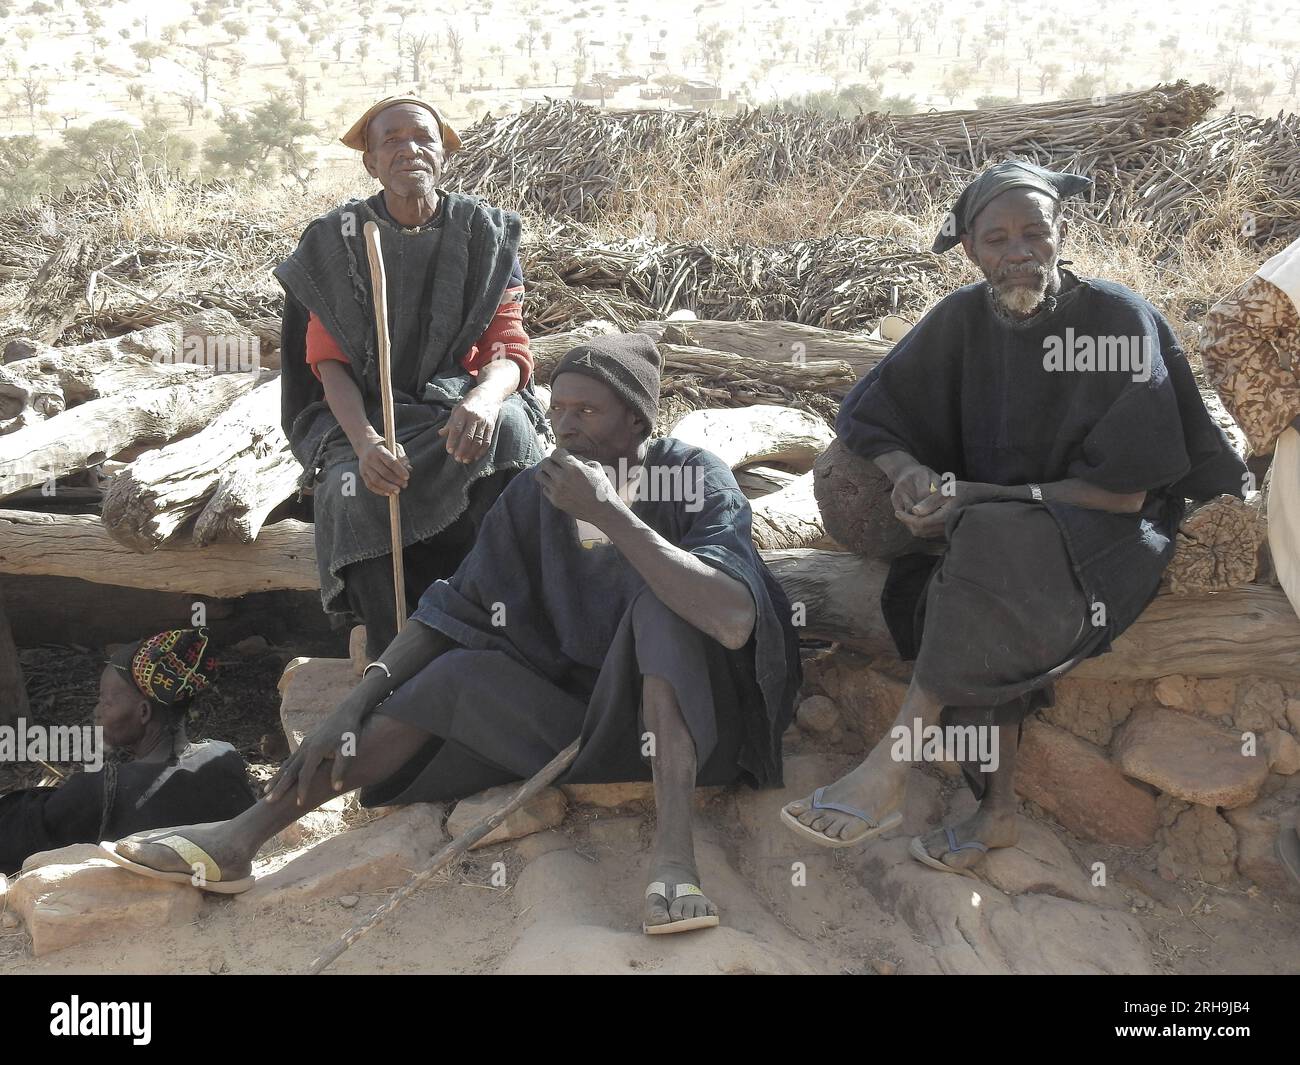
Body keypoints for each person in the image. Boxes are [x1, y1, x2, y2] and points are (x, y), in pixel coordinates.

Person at [103, 335, 802, 933]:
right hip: (587, 727)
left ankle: (675, 862)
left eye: (587, 411)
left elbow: (732, 616)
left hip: (696, 728)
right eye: (557, 409)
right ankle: (241, 838)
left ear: (636, 418)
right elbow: (458, 606)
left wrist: (611, 513)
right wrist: (355, 702)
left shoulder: (692, 475)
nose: (566, 427)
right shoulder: (539, 491)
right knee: (452, 676)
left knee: (661, 608)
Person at [781, 161, 1246, 875]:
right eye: (997, 238)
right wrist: (910, 476)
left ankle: (892, 765)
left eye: (1034, 232)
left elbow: (1123, 495)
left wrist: (974, 497)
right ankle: (995, 813)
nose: (1018, 250)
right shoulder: (962, 319)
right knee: (959, 531)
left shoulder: (1115, 322)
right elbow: (871, 412)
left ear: (1060, 234)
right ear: (971, 250)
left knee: (993, 542)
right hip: (995, 523)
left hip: (1107, 533)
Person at [276, 95, 548, 660]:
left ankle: (499, 627)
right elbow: (328, 364)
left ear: (444, 154)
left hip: (454, 399)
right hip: (364, 411)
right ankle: (389, 648)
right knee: (350, 488)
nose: (409, 150)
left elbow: (507, 346)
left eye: (422, 138)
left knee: (514, 435)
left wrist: (485, 397)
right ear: (371, 162)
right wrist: (367, 443)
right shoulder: (336, 239)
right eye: (391, 140)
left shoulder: (485, 234)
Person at [0, 628, 255, 876]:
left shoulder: (100, 792)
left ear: (144, 712)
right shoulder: (225, 757)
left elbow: (14, 839)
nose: (97, 710)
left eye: (106, 701)